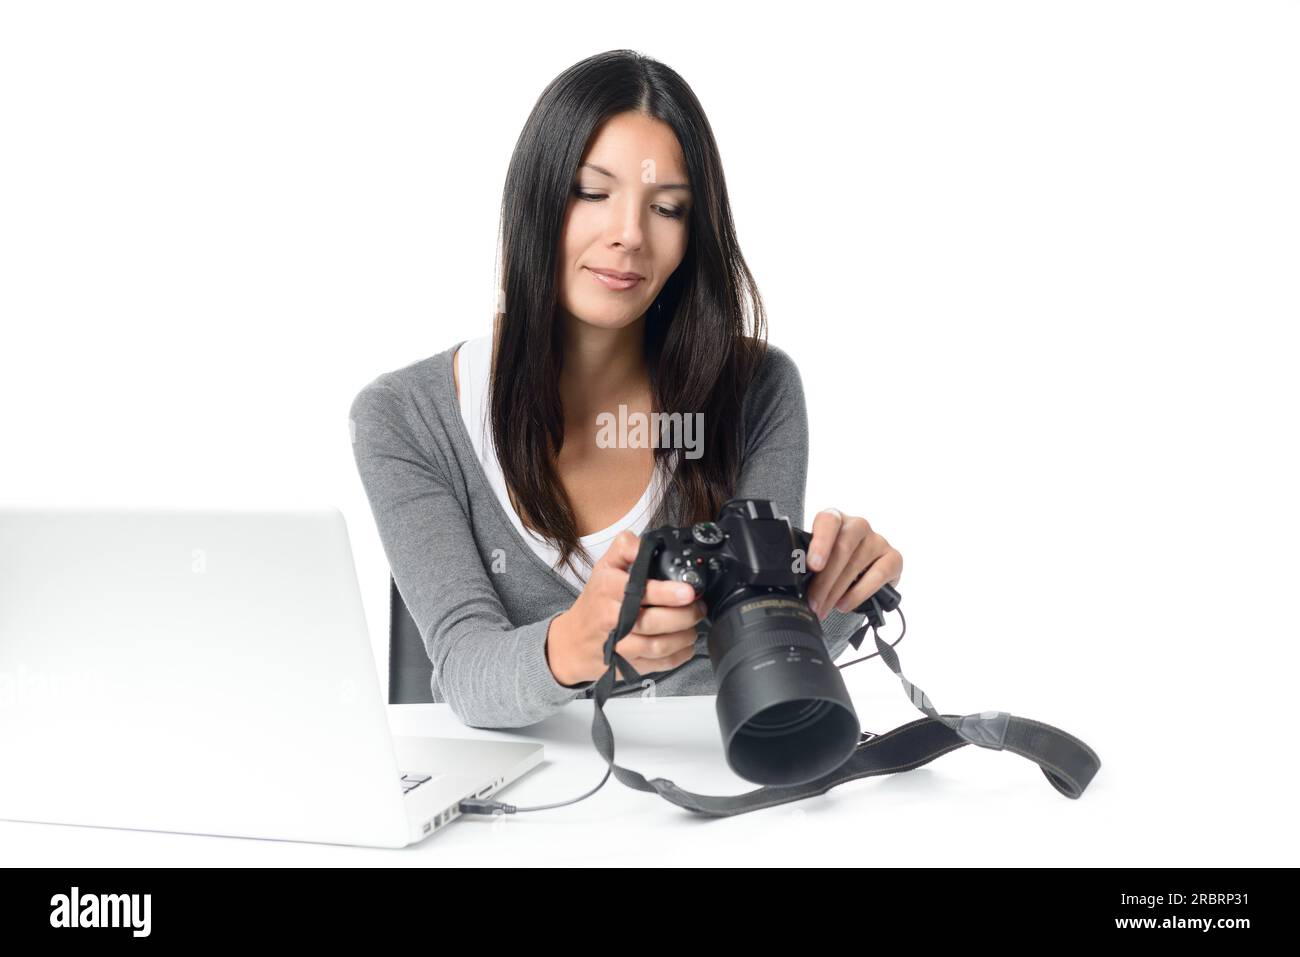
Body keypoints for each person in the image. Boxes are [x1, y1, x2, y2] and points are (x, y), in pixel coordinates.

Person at [349, 49, 902, 729]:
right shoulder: (406, 417)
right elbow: (464, 670)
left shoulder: (756, 390)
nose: (630, 236)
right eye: (592, 192)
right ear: (534, 201)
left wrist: (842, 590)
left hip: (706, 782)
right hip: (512, 788)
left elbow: (753, 656)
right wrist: (571, 646)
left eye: (667, 208)